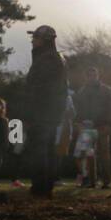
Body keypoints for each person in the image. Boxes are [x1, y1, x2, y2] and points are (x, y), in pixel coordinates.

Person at [25, 26, 68, 198]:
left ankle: (41, 187)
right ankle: (44, 185)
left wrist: (30, 113)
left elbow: (39, 90)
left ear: (45, 40)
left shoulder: (48, 60)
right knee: (46, 149)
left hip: (42, 113)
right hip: (49, 113)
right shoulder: (52, 58)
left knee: (40, 150)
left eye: (36, 38)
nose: (33, 41)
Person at [76, 67, 111, 188]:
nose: (92, 77)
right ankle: (91, 181)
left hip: (102, 125)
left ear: (98, 75)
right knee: (89, 154)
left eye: (94, 75)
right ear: (86, 77)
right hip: (87, 126)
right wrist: (79, 123)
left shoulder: (106, 90)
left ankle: (106, 181)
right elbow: (79, 109)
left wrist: (108, 123)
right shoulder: (82, 91)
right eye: (89, 75)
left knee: (104, 153)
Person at [74, 119, 99, 187]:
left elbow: (84, 144)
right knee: (87, 167)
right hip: (89, 151)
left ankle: (86, 181)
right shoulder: (90, 132)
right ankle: (90, 181)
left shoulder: (85, 133)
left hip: (85, 152)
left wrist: (82, 153)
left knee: (85, 167)